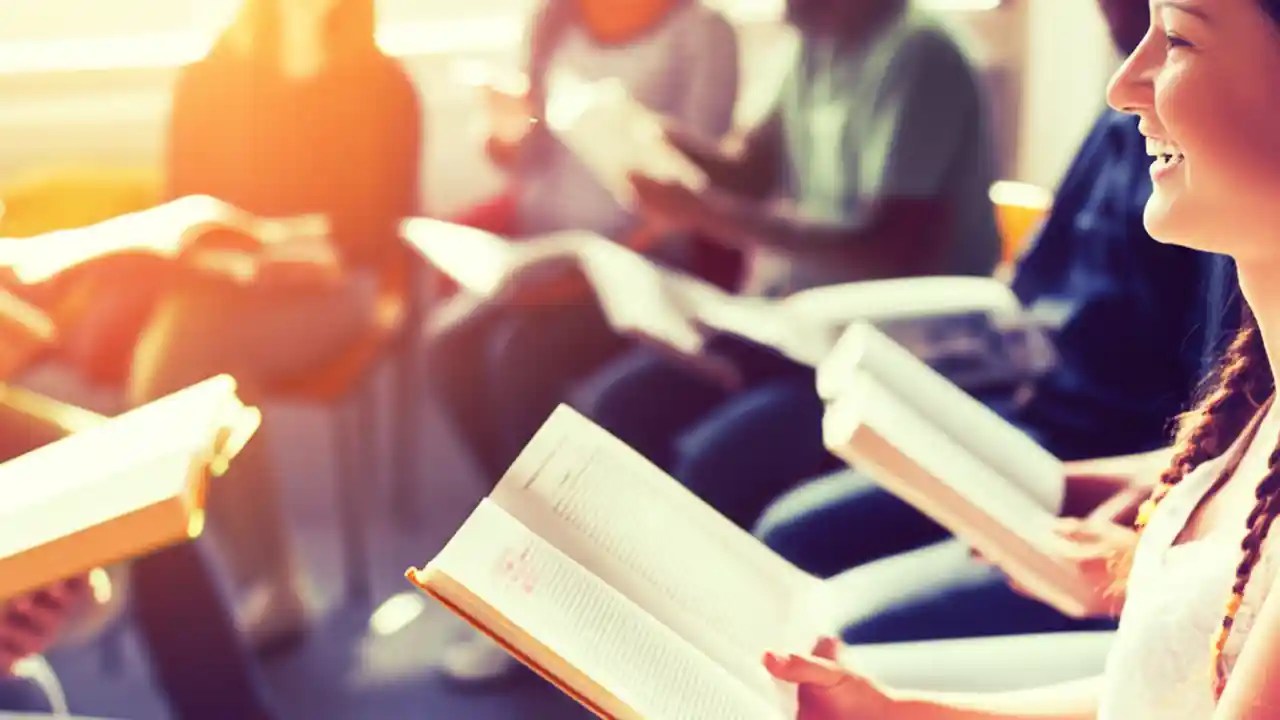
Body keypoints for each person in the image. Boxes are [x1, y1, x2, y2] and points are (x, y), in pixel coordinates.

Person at [766, 0, 1280, 716]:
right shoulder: (1259, 404)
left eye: (1178, 38)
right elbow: (1156, 694)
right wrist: (898, 711)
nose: (1123, 83)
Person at [570, 0, 1001, 529]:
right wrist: (643, 133)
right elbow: (751, 169)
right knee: (615, 406)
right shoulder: (807, 45)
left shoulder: (922, 54)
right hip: (792, 329)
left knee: (712, 464)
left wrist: (707, 215)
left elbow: (890, 247)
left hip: (886, 351)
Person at [150, 0, 420, 651]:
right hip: (230, 291)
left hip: (340, 288)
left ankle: (212, 567)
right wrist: (243, 252)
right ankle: (269, 578)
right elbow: (184, 200)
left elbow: (382, 215)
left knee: (180, 374)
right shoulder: (213, 73)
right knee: (208, 368)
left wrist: (307, 247)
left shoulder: (382, 82)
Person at [428, 0, 740, 482]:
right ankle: (511, 501)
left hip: (641, 263)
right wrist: (508, 133)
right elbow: (525, 159)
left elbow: (698, 186)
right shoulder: (551, 23)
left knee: (519, 357)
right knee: (447, 343)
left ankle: (559, 516)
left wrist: (588, 271)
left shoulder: (703, 32)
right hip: (543, 249)